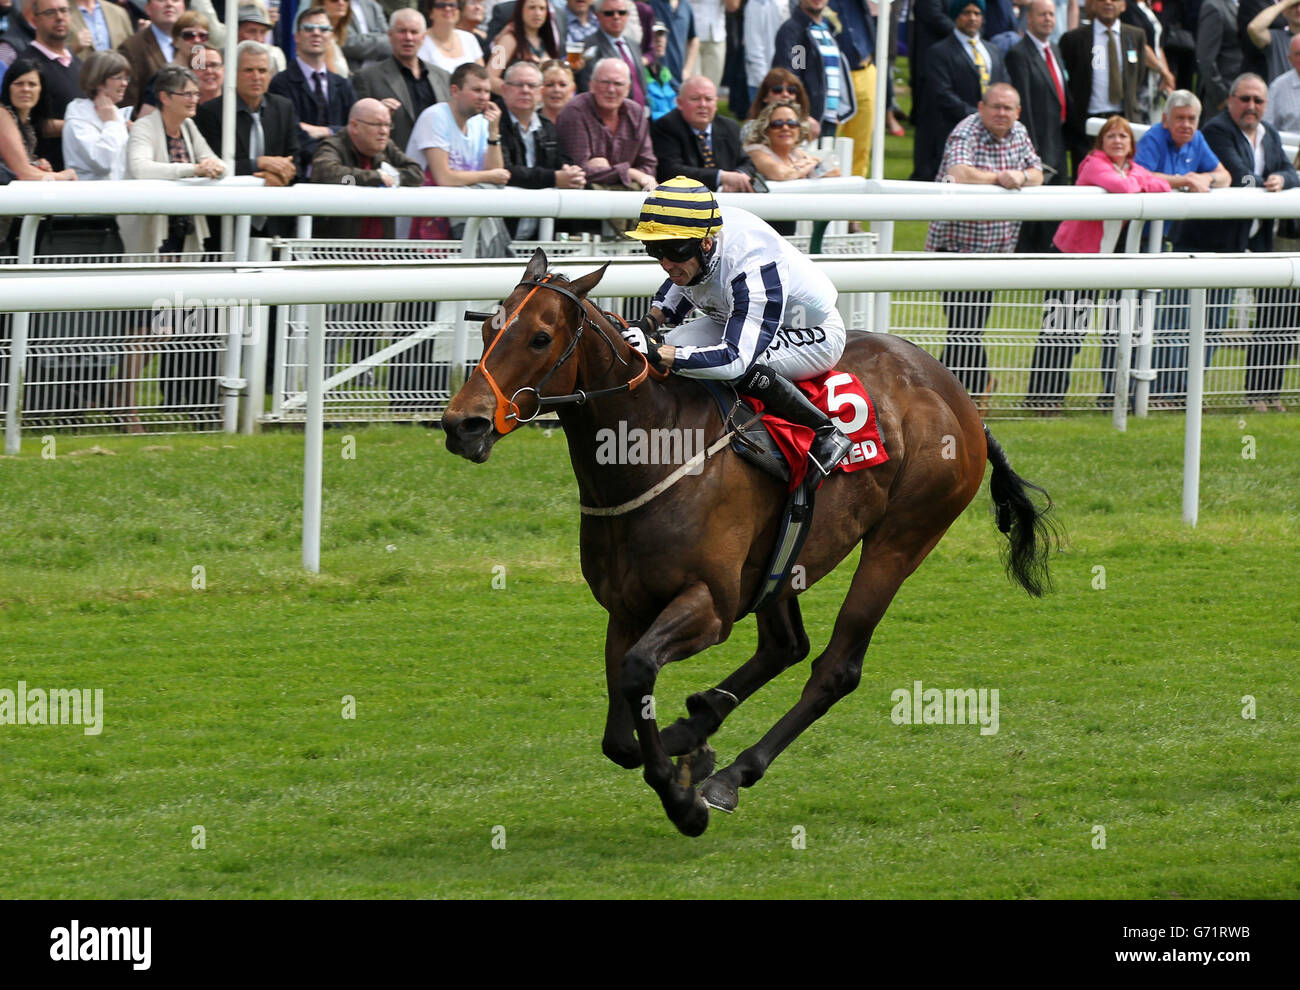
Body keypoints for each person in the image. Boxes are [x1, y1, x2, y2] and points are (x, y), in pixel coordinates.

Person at [624, 175, 853, 478]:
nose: (665, 263)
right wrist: (650, 322)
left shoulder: (752, 262)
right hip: (738, 315)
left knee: (739, 366)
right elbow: (686, 279)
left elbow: (734, 359)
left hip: (811, 332)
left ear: (706, 243)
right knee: (677, 344)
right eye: (655, 250)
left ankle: (825, 431)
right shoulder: (700, 243)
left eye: (673, 250)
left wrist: (659, 352)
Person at [1030, 115, 1171, 412]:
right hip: (1071, 257)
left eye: (1123, 136)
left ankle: (1051, 398)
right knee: (1060, 330)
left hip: (1096, 260)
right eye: (1111, 136)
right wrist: (1139, 180)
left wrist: (1138, 179)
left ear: (1131, 144)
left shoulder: (1129, 169)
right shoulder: (1095, 163)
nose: (1117, 141)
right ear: (1101, 143)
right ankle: (1043, 398)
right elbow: (1125, 188)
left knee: (1075, 333)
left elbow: (1161, 185)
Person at [1184, 73, 1298, 410]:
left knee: (1276, 314)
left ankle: (1264, 392)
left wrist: (1282, 177)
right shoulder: (1217, 130)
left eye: (1258, 101)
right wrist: (1267, 182)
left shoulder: (1270, 134)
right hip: (1216, 243)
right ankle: (1178, 394)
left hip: (1258, 240)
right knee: (1207, 322)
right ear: (1231, 100)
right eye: (1245, 99)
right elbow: (1238, 174)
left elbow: (1290, 171)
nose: (1251, 106)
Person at [925, 82, 1043, 408]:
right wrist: (1002, 178)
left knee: (968, 324)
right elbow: (958, 172)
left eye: (1008, 108)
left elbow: (1037, 172)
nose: (1002, 113)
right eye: (996, 106)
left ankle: (955, 391)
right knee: (964, 323)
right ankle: (965, 391)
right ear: (981, 107)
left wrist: (1021, 177)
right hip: (956, 245)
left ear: (1017, 112)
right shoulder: (966, 131)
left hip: (995, 247)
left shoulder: (1019, 132)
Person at [122, 64, 225, 410]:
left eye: (196, 93)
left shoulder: (190, 127)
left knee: (163, 327)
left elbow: (212, 159)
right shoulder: (144, 128)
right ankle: (124, 404)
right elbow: (141, 168)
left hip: (182, 237)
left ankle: (118, 397)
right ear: (165, 97)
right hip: (151, 241)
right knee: (147, 327)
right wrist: (193, 170)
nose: (196, 99)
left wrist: (211, 166)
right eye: (188, 93)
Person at [1132, 90, 1230, 403]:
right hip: (1142, 243)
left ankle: (1169, 394)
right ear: (1166, 119)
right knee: (1133, 320)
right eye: (1180, 119)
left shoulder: (1197, 139)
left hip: (1175, 242)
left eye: (1191, 119)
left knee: (1171, 317)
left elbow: (1224, 176)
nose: (1186, 125)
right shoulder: (1152, 138)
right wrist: (1185, 180)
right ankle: (1122, 393)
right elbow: (1141, 175)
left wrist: (1203, 179)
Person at [195, 40, 300, 237]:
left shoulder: (284, 108)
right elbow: (214, 166)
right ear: (233, 73)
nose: (256, 77)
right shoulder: (211, 112)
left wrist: (278, 175)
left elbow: (297, 161)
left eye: (262, 70)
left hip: (274, 219)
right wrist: (259, 164)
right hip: (226, 219)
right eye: (248, 70)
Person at [406, 60, 509, 243]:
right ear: (455, 91)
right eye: (476, 90)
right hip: (425, 227)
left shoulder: (481, 122)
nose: (484, 97)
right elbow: (444, 178)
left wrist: (494, 132)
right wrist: (489, 176)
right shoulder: (435, 116)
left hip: (463, 224)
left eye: (486, 91)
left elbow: (496, 174)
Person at [921, 0, 1010, 184]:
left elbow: (1004, 86)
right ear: (955, 16)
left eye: (977, 13)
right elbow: (942, 94)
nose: (972, 18)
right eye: (966, 13)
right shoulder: (939, 52)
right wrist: (979, 117)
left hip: (992, 138)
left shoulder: (993, 50)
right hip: (953, 132)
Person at [1007, 0, 1070, 251]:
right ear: (1029, 19)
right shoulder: (1018, 54)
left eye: (1052, 15)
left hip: (1059, 139)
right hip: (1039, 144)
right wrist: (1032, 151)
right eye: (1042, 15)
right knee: (1035, 214)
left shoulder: (1054, 49)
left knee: (1056, 209)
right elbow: (1026, 109)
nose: (1048, 19)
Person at [499, 59, 583, 237]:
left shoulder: (547, 127)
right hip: (500, 227)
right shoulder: (493, 124)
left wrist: (572, 174)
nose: (525, 90)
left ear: (540, 92)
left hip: (538, 231)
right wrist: (554, 178)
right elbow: (504, 171)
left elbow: (562, 163)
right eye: (518, 84)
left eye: (531, 85)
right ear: (504, 90)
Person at [1061, 0, 1146, 175]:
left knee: (1124, 177)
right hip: (1087, 123)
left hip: (1124, 120)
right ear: (1092, 4)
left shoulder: (1135, 36)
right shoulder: (1074, 39)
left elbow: (1138, 77)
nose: (1108, 2)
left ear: (1123, 5)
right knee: (1087, 177)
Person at [269, 5, 358, 172]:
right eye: (309, 28)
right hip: (298, 175)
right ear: (297, 36)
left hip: (342, 173)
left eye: (324, 29)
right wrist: (336, 137)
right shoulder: (280, 83)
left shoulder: (343, 84)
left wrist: (325, 130)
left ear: (331, 36)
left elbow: (357, 128)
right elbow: (290, 131)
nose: (316, 33)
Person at [353, 8, 451, 153]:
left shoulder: (443, 77)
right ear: (390, 35)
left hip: (438, 163)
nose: (408, 38)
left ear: (423, 37)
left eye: (414, 32)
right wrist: (376, 112)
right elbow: (357, 129)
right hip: (391, 163)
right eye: (402, 31)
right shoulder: (367, 78)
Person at [556, 55, 655, 191]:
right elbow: (578, 172)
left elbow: (649, 166)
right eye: (605, 82)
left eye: (618, 84)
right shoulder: (575, 112)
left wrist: (606, 171)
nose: (611, 90)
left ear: (628, 89)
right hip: (584, 201)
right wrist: (631, 173)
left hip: (629, 198)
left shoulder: (636, 113)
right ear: (591, 85)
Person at [650, 74, 754, 189]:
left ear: (716, 103)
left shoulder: (730, 127)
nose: (703, 105)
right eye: (695, 99)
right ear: (680, 103)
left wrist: (738, 177)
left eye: (708, 99)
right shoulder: (666, 126)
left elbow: (747, 163)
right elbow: (670, 171)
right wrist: (722, 177)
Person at [773, 0, 856, 140]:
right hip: (809, 121)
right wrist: (803, 115)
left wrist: (837, 112)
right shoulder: (796, 31)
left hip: (829, 119)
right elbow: (793, 76)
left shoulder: (828, 29)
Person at [60, 46, 129, 179]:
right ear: (99, 81)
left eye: (127, 78)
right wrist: (110, 123)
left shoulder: (113, 112)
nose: (125, 84)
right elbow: (103, 162)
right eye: (119, 78)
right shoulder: (78, 116)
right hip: (90, 196)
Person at [745, 99, 840, 182]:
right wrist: (806, 168)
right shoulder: (755, 151)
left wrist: (807, 166)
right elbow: (779, 174)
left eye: (792, 123)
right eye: (777, 124)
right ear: (765, 129)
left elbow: (835, 170)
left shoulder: (794, 153)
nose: (785, 128)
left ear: (799, 129)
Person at [578, 0, 646, 109]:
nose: (616, 17)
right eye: (609, 13)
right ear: (598, 15)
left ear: (628, 15)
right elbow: (587, 88)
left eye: (621, 12)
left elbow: (640, 82)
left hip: (641, 114)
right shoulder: (587, 47)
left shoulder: (633, 44)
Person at [118, 0, 181, 113]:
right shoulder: (132, 47)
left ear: (184, 7)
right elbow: (128, 101)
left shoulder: (196, 41)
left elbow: (200, 80)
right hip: (151, 124)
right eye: (161, 0)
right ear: (148, 8)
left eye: (176, 0)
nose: (169, 4)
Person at [488, 0, 560, 95]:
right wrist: (514, 93)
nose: (537, 13)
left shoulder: (548, 41)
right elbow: (490, 77)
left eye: (542, 8)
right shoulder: (509, 39)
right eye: (532, 7)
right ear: (520, 10)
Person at [744, 68, 820, 143]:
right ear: (765, 97)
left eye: (791, 90)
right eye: (777, 90)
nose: (785, 94)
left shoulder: (806, 125)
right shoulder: (751, 127)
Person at [1198, 0, 1245, 112]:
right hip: (1224, 97)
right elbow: (1206, 58)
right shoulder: (1214, 7)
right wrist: (1221, 97)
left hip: (1244, 93)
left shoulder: (1245, 6)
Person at [420, 0, 484, 74]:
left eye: (452, 5)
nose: (447, 8)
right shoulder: (421, 41)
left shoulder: (469, 38)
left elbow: (482, 76)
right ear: (430, 13)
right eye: (441, 5)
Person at [647, 0, 695, 84]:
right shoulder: (650, 4)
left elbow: (694, 39)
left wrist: (688, 69)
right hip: (654, 77)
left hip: (678, 77)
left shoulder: (686, 6)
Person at [235, 4, 287, 74]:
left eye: (263, 32)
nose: (259, 39)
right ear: (235, 32)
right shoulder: (222, 58)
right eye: (252, 31)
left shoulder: (274, 57)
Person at [1265, 32, 1300, 128]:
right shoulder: (1278, 87)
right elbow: (1267, 128)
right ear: (1290, 59)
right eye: (1298, 54)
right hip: (1289, 142)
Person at [538, 55, 574, 123]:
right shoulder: (529, 121)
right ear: (539, 89)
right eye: (549, 85)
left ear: (572, 89)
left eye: (562, 85)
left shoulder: (581, 121)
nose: (556, 89)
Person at [323, 0, 354, 77]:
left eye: (346, 0)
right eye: (334, 0)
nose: (341, 2)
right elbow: (331, 80)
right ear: (321, 3)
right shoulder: (321, 36)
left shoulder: (337, 34)